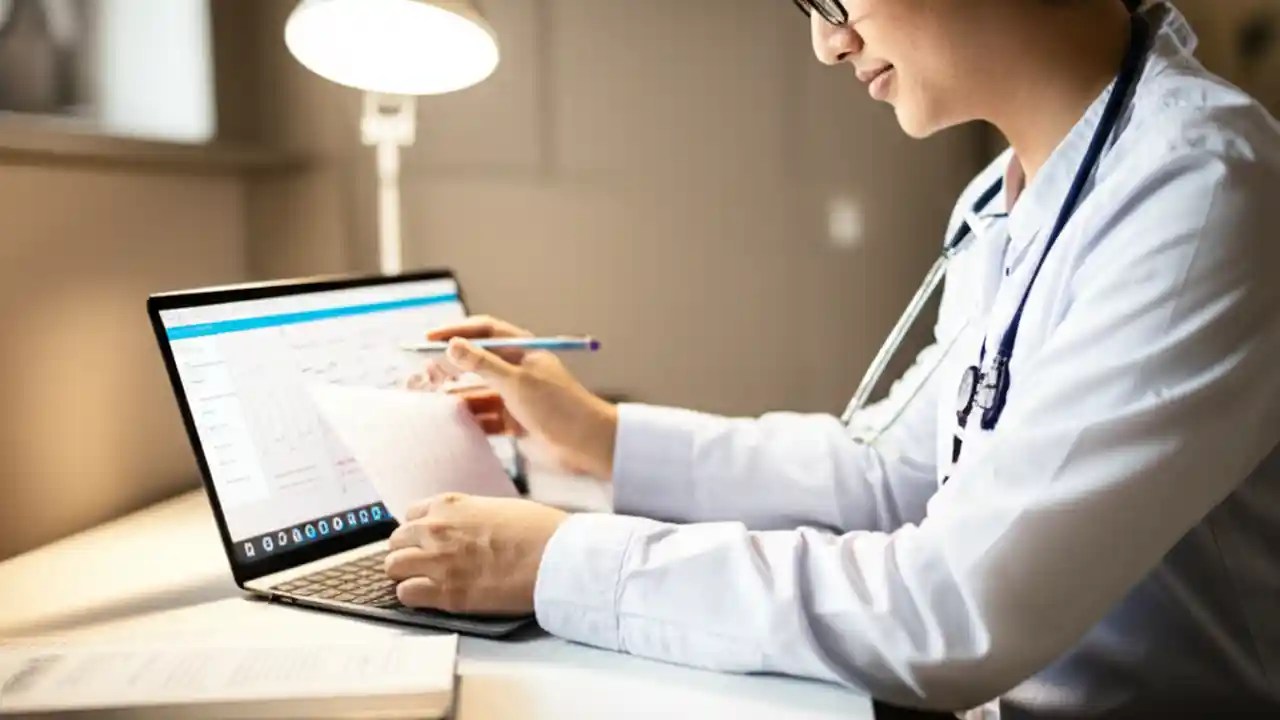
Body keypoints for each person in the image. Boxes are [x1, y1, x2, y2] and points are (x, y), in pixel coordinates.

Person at [383, 0, 1280, 716]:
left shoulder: (1201, 188)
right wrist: (598, 435)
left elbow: (952, 613)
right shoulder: (1008, 197)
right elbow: (890, 477)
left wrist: (564, 561)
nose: (828, 43)